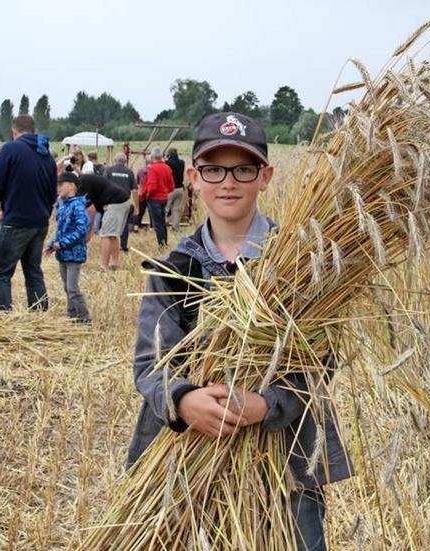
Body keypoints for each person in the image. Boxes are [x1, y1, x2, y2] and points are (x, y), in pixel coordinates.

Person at [127, 112, 350, 551]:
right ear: (194, 178)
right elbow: (149, 364)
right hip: (187, 457)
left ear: (265, 176)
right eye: (213, 169)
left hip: (286, 459)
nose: (228, 182)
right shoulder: (174, 269)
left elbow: (320, 361)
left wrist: (266, 404)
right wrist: (183, 400)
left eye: (243, 169)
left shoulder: (301, 262)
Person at [0, 115, 57, 312]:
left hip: (16, 220)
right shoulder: (46, 154)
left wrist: (7, 199)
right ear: (34, 131)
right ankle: (39, 315)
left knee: (1, 273)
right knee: (33, 271)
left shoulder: (10, 149)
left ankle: (2, 318)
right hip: (40, 222)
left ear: (14, 131)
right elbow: (53, 193)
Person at [45, 172, 92, 323]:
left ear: (71, 186)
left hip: (74, 254)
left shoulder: (77, 205)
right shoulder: (63, 205)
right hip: (63, 254)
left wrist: (62, 243)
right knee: (67, 288)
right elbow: (60, 230)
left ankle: (84, 318)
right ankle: (72, 315)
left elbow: (81, 230)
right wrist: (51, 244)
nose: (57, 188)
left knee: (72, 289)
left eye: (61, 184)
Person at [76, 173, 133, 270]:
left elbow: (91, 210)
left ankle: (103, 267)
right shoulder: (85, 181)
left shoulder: (83, 185)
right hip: (123, 200)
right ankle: (115, 264)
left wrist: (89, 232)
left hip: (115, 202)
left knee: (105, 235)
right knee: (112, 235)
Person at [138, 147, 174, 247]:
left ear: (152, 157)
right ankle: (164, 242)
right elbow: (171, 186)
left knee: (157, 223)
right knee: (162, 221)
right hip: (164, 198)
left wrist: (146, 195)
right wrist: (165, 192)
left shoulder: (152, 168)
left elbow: (152, 186)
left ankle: (161, 245)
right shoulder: (167, 168)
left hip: (154, 199)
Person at [104, 153, 137, 252]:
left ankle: (111, 246)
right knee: (124, 225)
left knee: (111, 225)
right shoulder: (129, 172)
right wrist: (136, 206)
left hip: (112, 202)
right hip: (124, 202)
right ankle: (123, 246)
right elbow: (134, 190)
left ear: (115, 160)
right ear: (125, 161)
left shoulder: (108, 171)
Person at [165, 147, 186, 231]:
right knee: (176, 209)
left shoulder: (167, 163)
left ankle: (163, 225)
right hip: (180, 188)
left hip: (170, 189)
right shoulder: (182, 162)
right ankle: (175, 227)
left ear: (169, 154)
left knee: (166, 208)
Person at [134, 157, 151, 231]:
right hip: (151, 193)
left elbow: (137, 182)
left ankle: (136, 225)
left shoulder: (140, 170)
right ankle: (152, 227)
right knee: (151, 211)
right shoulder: (153, 170)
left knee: (140, 211)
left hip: (141, 192)